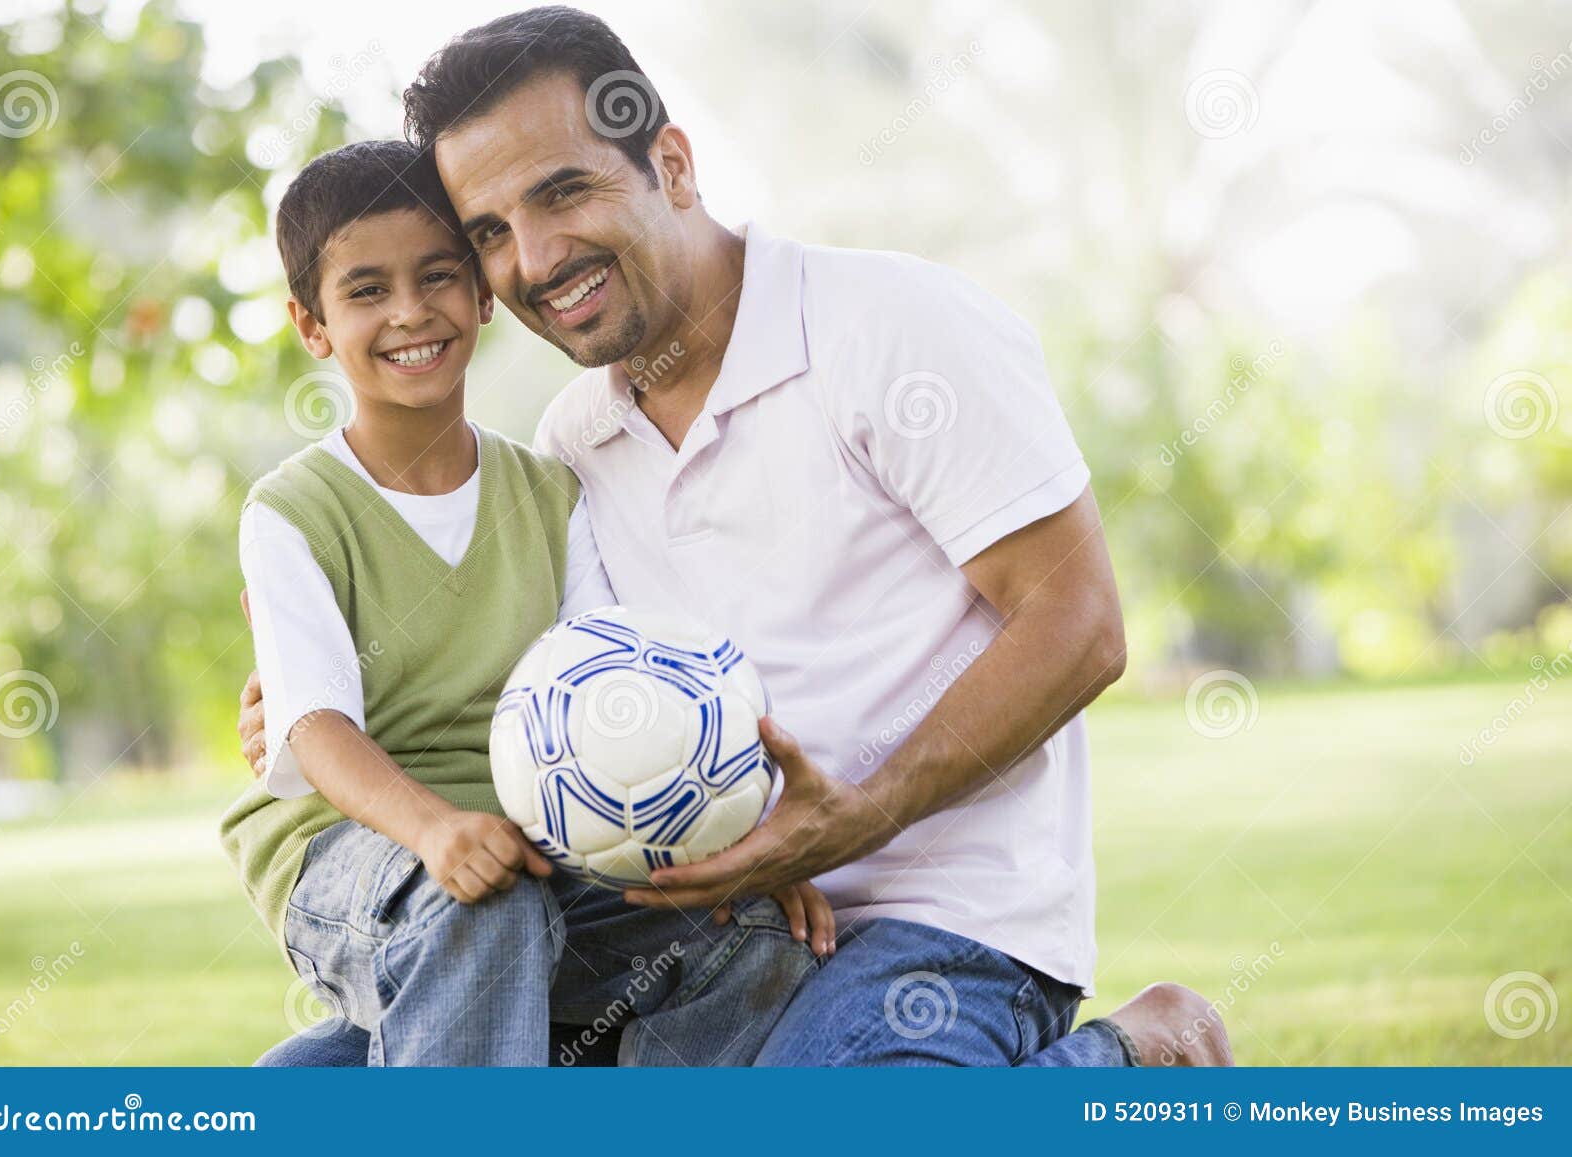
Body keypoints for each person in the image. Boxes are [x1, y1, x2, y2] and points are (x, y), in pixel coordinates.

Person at [241, 6, 1232, 1067]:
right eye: (488, 231)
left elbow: (1078, 623)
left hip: (937, 913)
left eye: (563, 190)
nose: (533, 257)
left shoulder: (890, 327)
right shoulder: (573, 446)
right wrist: (316, 705)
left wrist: (852, 816)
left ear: (670, 162)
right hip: (683, 920)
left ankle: (1140, 1050)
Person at [220, 138, 825, 1067]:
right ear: (312, 324)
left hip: (532, 848)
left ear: (485, 293)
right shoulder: (292, 511)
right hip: (346, 850)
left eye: (439, 276)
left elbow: (601, 683)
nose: (412, 312)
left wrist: (727, 839)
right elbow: (313, 724)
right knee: (480, 907)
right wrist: (434, 829)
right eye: (368, 290)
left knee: (750, 925)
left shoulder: (551, 494)